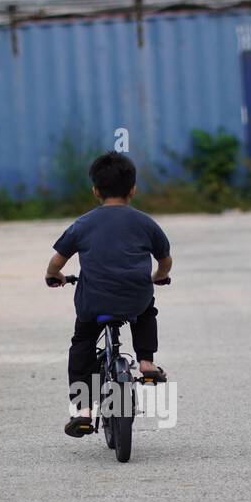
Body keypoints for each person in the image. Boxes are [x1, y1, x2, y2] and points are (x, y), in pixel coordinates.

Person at [45, 153, 173, 438]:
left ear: (95, 191)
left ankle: (82, 411)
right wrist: (158, 276)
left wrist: (55, 277)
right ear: (133, 189)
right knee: (145, 311)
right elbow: (165, 260)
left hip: (94, 302)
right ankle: (146, 362)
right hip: (135, 297)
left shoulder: (83, 224)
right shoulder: (146, 223)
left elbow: (56, 262)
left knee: (82, 343)